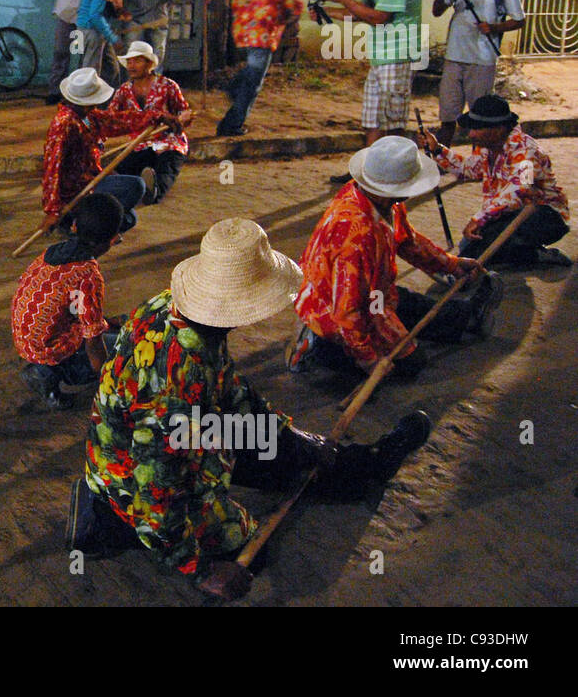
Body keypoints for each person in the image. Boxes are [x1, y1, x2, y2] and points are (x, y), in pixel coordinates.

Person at [72, 217, 433, 601]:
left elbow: (228, 388)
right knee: (245, 556)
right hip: (139, 472)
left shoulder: (173, 307)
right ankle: (110, 520)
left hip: (191, 433)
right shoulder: (176, 383)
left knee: (294, 454)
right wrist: (200, 569)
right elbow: (156, 481)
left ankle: (367, 463)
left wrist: (288, 435)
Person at [287, 136, 502, 380]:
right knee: (411, 364)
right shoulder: (355, 234)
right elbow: (346, 309)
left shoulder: (378, 199)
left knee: (398, 301)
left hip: (371, 296)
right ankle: (320, 347)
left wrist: (451, 264)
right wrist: (367, 358)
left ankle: (466, 317)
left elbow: (408, 241)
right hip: (332, 308)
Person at [418, 95, 570, 267]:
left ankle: (535, 255)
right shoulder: (487, 146)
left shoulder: (527, 152)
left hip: (545, 216)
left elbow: (519, 191)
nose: (471, 134)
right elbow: (470, 170)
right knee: (471, 246)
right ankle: (527, 254)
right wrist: (437, 149)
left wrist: (479, 219)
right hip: (508, 213)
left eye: (477, 129)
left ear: (499, 129)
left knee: (478, 254)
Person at [12, 193, 123, 410]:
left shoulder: (53, 252)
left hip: (26, 339)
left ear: (74, 226)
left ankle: (44, 369)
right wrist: (109, 382)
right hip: (47, 348)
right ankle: (49, 373)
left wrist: (104, 322)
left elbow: (71, 308)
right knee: (124, 343)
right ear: (113, 239)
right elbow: (93, 343)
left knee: (112, 327)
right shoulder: (87, 274)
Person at [319, 0, 423, 151]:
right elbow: (360, 13)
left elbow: (378, 18)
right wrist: (326, 10)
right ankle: (367, 169)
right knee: (372, 119)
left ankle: (393, 168)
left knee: (394, 121)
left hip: (397, 56)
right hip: (380, 57)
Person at [41, 67, 157, 235]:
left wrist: (155, 117)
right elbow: (52, 167)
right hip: (78, 191)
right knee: (135, 185)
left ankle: (83, 223)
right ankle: (81, 223)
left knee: (129, 218)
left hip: (90, 180)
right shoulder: (64, 125)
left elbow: (118, 121)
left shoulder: (88, 116)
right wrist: (53, 210)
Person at [431, 0, 525, 146]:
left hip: (482, 61)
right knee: (447, 117)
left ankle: (479, 163)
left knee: (480, 119)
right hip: (454, 58)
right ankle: (440, 160)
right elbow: (437, 11)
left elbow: (519, 20)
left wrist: (493, 28)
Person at [216, 0, 304, 137]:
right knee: (253, 83)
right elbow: (296, 6)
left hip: (242, 34)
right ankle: (231, 123)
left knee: (250, 74)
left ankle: (234, 88)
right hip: (264, 35)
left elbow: (235, 4)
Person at [106, 41, 191, 204]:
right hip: (139, 144)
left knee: (165, 169)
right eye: (129, 62)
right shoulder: (124, 90)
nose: (131, 66)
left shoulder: (168, 86)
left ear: (149, 64)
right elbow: (111, 118)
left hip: (168, 142)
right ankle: (141, 184)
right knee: (120, 172)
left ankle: (154, 191)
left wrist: (184, 118)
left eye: (137, 61)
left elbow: (183, 111)